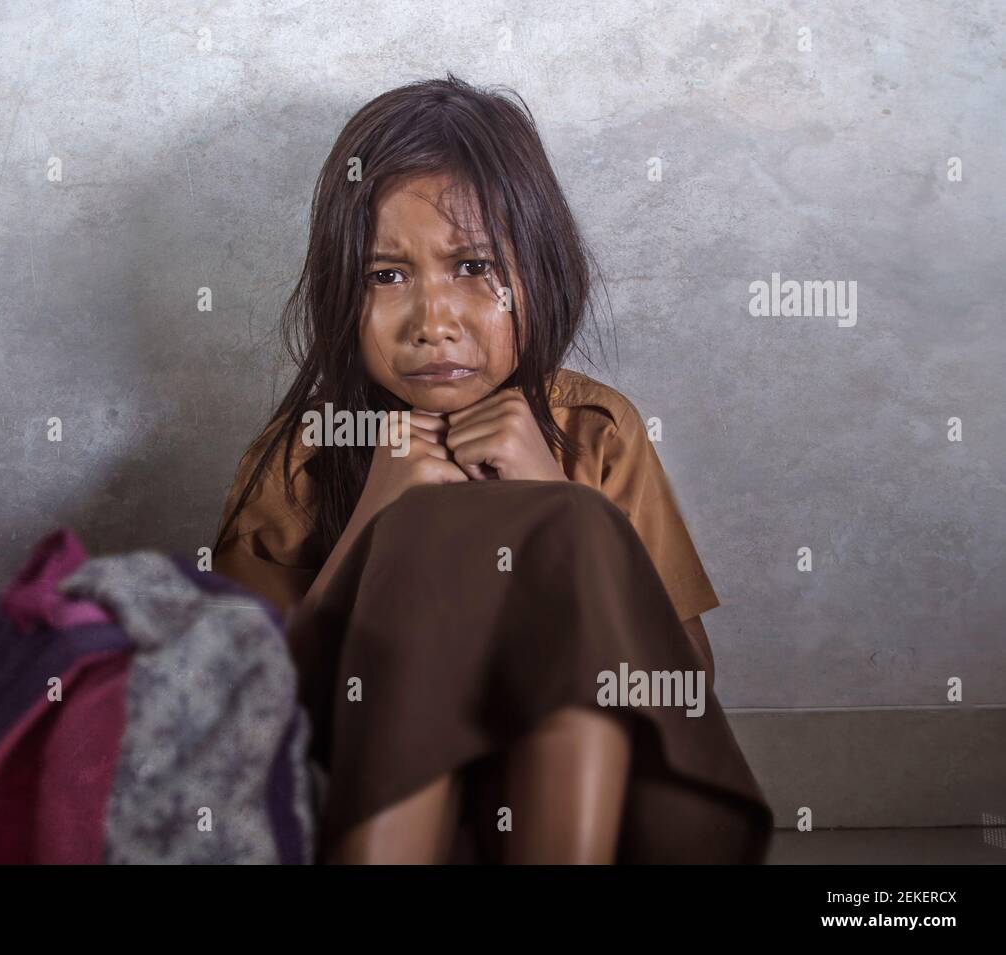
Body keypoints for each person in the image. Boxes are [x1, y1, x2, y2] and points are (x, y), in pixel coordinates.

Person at [212, 74, 772, 864]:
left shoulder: (594, 430)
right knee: (426, 533)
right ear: (345, 294)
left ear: (538, 272)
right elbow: (243, 711)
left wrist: (554, 497)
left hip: (595, 803)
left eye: (473, 267)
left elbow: (684, 685)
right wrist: (372, 521)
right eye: (387, 275)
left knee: (571, 520)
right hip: (377, 785)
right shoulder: (306, 450)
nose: (433, 322)